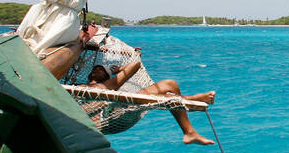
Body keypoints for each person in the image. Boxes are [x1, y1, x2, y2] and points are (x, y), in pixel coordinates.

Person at [86, 52, 217, 145]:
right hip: (106, 117)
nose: (97, 70)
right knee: (169, 99)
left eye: (101, 69)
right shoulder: (83, 86)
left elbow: (135, 64)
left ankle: (189, 130)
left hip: (114, 112)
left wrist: (119, 69)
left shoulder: (108, 85)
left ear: (108, 77)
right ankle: (190, 101)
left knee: (170, 84)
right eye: (96, 69)